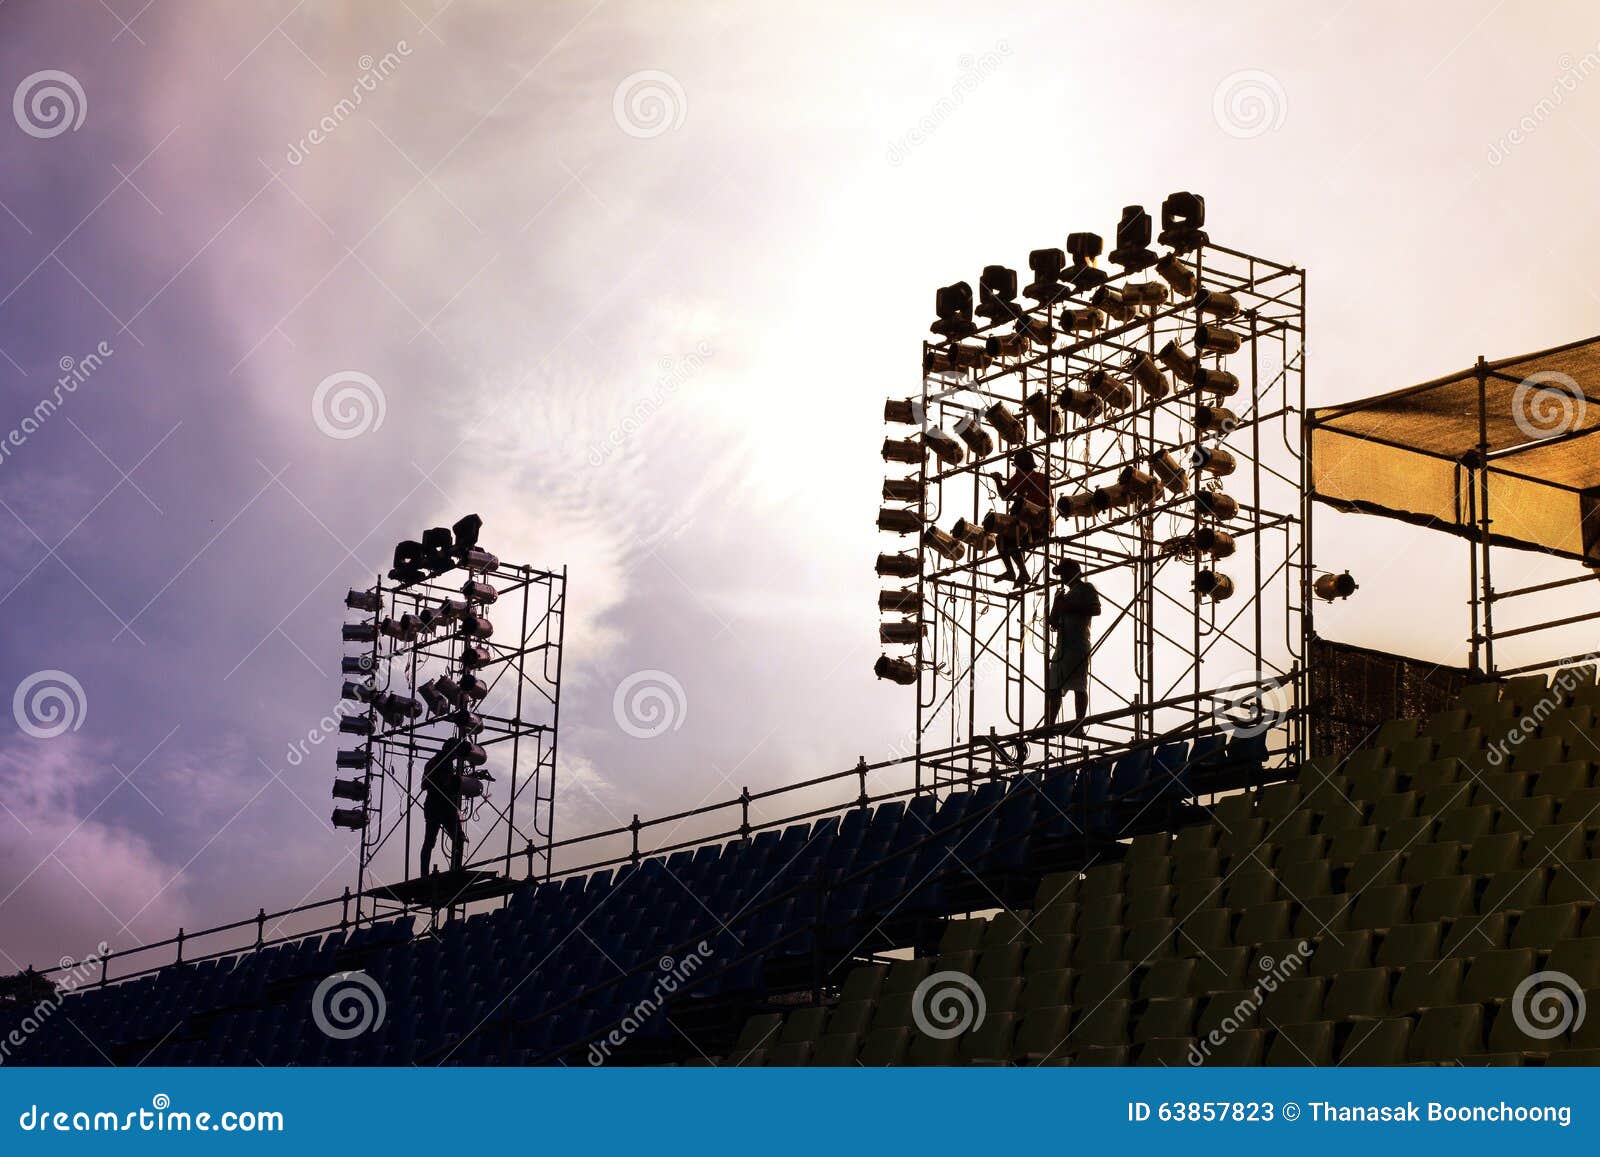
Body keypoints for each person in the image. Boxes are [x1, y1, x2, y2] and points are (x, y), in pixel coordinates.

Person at [1046, 557, 1102, 727]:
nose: (1062, 578)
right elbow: (1053, 622)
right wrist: (1056, 603)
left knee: (1079, 685)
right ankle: (1050, 724)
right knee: (1054, 686)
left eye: (1064, 573)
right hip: (1062, 647)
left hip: (1078, 645)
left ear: (1074, 572)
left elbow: (1096, 609)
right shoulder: (1065, 595)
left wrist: (1069, 607)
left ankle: (1079, 724)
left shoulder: (1086, 588)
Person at [988, 448, 1051, 586]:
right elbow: (1040, 500)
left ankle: (1016, 571)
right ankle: (1020, 572)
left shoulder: (1022, 476)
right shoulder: (1042, 477)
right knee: (1010, 540)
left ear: (1019, 466)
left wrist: (997, 480)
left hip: (1032, 524)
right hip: (1045, 525)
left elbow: (1005, 495)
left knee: (1003, 539)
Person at [420, 736, 467, 877]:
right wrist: (448, 782)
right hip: (438, 805)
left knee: (436, 840)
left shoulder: (440, 762)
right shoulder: (438, 762)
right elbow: (426, 784)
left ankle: (452, 869)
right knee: (434, 840)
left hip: (442, 806)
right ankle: (454, 870)